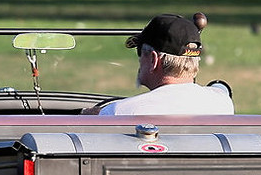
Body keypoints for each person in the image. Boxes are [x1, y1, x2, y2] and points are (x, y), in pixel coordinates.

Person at [86, 12, 234, 116]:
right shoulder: (222, 104)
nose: (139, 60)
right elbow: (220, 90)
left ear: (153, 60)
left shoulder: (118, 113)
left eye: (140, 52)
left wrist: (90, 115)